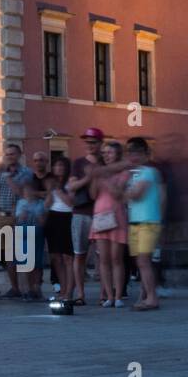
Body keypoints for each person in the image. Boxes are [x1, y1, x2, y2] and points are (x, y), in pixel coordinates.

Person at [0, 144, 32, 298]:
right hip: (3, 216)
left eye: (12, 154)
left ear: (19, 155)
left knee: (24, 253)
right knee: (9, 255)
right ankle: (15, 288)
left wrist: (9, 177)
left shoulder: (26, 172)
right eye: (7, 154)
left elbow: (22, 192)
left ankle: (28, 288)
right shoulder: (1, 172)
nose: (10, 157)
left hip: (21, 216)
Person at [123, 138, 164, 311]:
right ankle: (145, 296)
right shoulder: (134, 173)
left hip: (148, 221)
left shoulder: (149, 171)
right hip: (135, 221)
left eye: (136, 152)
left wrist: (121, 189)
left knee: (144, 261)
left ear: (144, 154)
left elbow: (136, 194)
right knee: (141, 263)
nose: (133, 156)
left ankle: (152, 298)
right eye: (130, 152)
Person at [66, 127, 105, 305]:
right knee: (79, 255)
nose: (89, 145)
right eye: (87, 142)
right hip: (81, 212)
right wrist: (88, 178)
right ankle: (80, 294)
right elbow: (72, 186)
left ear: (100, 143)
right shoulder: (79, 163)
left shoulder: (106, 162)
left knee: (102, 257)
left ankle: (104, 294)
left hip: (101, 213)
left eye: (93, 142)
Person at [90, 141, 130, 308]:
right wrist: (95, 179)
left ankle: (119, 295)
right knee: (104, 260)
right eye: (104, 153)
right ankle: (109, 296)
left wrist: (104, 176)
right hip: (100, 217)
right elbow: (93, 195)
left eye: (110, 153)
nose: (106, 155)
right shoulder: (99, 174)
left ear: (118, 155)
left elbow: (116, 193)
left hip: (116, 216)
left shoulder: (124, 173)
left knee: (116, 259)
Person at [12, 151, 49, 300]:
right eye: (25, 190)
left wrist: (37, 216)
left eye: (30, 190)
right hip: (23, 234)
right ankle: (27, 289)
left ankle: (36, 288)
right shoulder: (20, 203)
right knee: (24, 263)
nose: (28, 192)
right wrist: (21, 217)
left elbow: (42, 221)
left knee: (37, 263)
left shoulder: (40, 204)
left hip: (36, 234)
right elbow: (16, 220)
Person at [44, 157, 75, 302]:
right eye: (56, 165)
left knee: (68, 257)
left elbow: (71, 202)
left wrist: (58, 189)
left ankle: (69, 291)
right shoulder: (52, 183)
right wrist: (50, 191)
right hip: (53, 217)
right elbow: (47, 204)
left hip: (67, 217)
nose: (59, 168)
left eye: (61, 165)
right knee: (56, 257)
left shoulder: (71, 181)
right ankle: (62, 289)